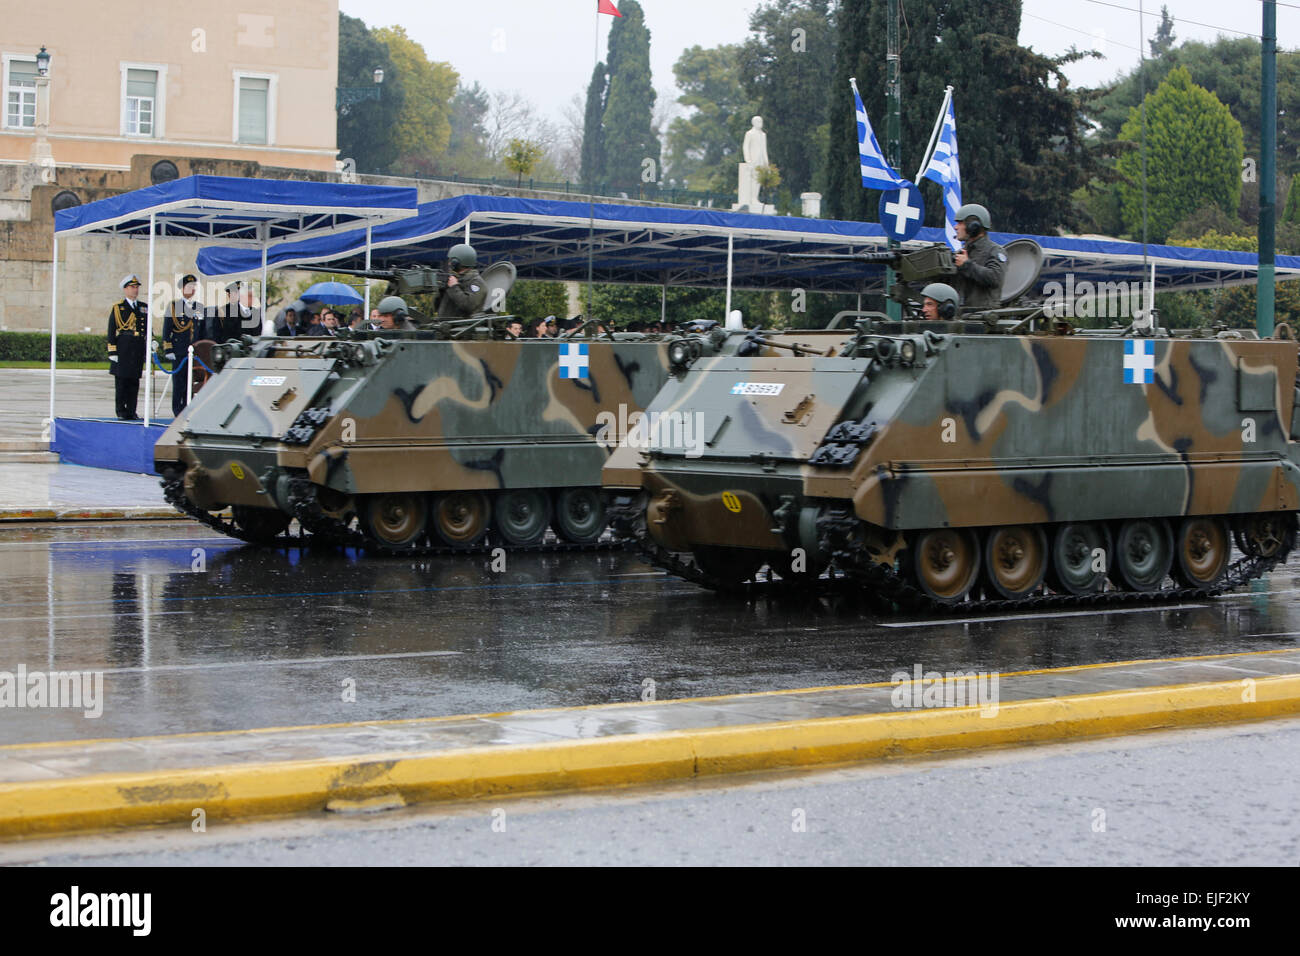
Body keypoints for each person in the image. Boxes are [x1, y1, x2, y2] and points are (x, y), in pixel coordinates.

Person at [107, 274, 148, 420]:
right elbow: (111, 329)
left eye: (136, 287)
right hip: (123, 348)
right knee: (122, 383)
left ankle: (132, 410)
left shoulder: (143, 307)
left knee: (133, 383)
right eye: (132, 287)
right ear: (125, 289)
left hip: (137, 349)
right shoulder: (118, 308)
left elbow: (148, 328)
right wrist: (112, 350)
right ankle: (121, 411)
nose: (135, 290)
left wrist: (152, 341)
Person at [950, 203, 1006, 310]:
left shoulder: (995, 251)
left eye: (960, 223)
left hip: (982, 316)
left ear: (973, 226)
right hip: (960, 314)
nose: (955, 227)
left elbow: (995, 278)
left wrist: (967, 265)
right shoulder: (961, 253)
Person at [162, 273, 204, 415]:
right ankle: (177, 409)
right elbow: (167, 328)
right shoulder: (174, 306)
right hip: (179, 350)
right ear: (182, 288)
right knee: (179, 383)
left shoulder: (198, 307)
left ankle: (188, 408)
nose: (192, 289)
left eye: (194, 287)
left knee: (190, 383)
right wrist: (168, 349)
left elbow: (201, 330)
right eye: (189, 286)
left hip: (194, 351)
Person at [434, 243, 487, 319]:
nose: (449, 263)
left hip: (465, 328)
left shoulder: (476, 282)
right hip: (446, 326)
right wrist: (441, 289)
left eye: (451, 261)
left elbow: (469, 305)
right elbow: (437, 307)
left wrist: (454, 287)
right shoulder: (454, 279)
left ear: (457, 262)